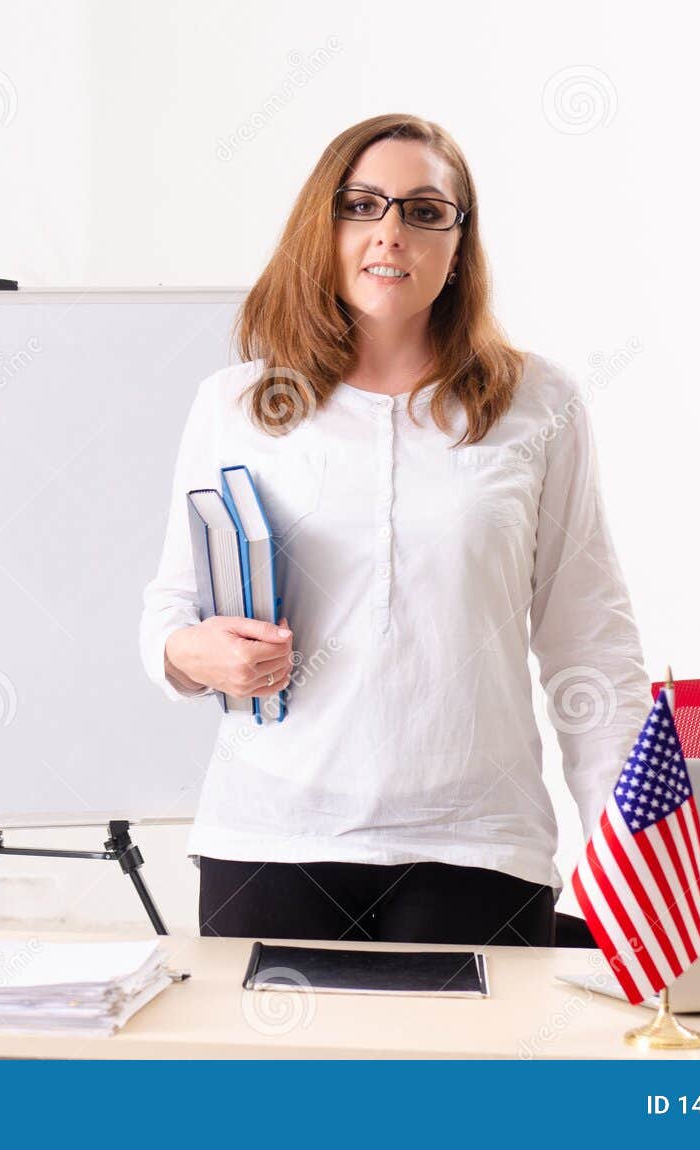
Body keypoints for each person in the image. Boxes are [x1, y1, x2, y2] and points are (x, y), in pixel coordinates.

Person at [138, 113, 650, 947]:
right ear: (324, 226)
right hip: (271, 835)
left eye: (423, 211)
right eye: (362, 205)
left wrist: (628, 851)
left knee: (462, 1084)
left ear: (459, 244)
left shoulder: (539, 405)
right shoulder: (235, 404)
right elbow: (170, 612)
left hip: (478, 843)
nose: (390, 234)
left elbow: (590, 644)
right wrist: (193, 655)